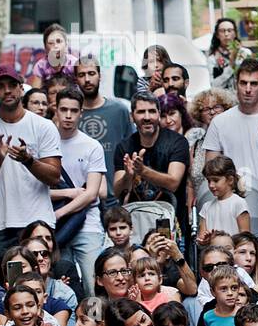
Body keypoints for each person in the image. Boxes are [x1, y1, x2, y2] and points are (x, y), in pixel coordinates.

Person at [0, 64, 63, 280]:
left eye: (12, 85)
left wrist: (28, 160)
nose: (7, 90)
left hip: (37, 222)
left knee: (40, 281)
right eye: (1, 87)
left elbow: (54, 176)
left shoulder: (43, 126)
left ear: (21, 88)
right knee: (9, 286)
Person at [203, 59, 258, 245]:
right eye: (243, 83)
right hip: (230, 202)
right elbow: (211, 169)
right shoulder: (220, 122)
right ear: (236, 84)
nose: (248, 89)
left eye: (254, 83)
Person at [113, 93, 189, 243]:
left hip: (170, 222)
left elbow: (173, 183)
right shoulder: (124, 146)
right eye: (141, 112)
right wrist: (128, 175)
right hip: (136, 223)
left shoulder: (177, 142)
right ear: (132, 116)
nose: (147, 117)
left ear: (158, 114)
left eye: (152, 111)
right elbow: (117, 191)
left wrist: (142, 171)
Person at [50, 86, 106, 290]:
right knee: (62, 285)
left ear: (81, 112)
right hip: (58, 226)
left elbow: (92, 193)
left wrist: (59, 212)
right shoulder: (45, 144)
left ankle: (96, 321)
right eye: (63, 109)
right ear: (55, 109)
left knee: (94, 285)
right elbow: (36, 191)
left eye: (74, 111)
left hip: (87, 223)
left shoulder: (92, 146)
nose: (68, 115)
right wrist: (67, 194)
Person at [74, 56, 133, 205]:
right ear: (76, 79)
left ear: (100, 76)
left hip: (116, 198)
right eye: (82, 75)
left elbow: (131, 151)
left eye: (91, 73)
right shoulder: (71, 114)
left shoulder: (119, 110)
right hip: (80, 198)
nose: (87, 79)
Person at [185, 89, 236, 213]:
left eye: (217, 107)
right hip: (201, 207)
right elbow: (191, 182)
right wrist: (190, 212)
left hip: (228, 208)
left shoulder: (232, 139)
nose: (212, 112)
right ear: (199, 114)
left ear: (226, 108)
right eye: (206, 109)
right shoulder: (196, 144)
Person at [198, 156, 251, 242]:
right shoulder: (206, 207)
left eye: (215, 180)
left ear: (230, 180)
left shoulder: (238, 203)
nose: (211, 185)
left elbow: (245, 238)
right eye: (209, 181)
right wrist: (205, 240)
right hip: (212, 254)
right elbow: (201, 239)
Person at [206, 17, 253, 90]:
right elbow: (214, 86)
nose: (226, 34)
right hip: (224, 98)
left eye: (229, 30)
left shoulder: (245, 53)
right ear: (217, 35)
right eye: (222, 31)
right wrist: (231, 65)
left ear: (235, 33)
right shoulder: (213, 58)